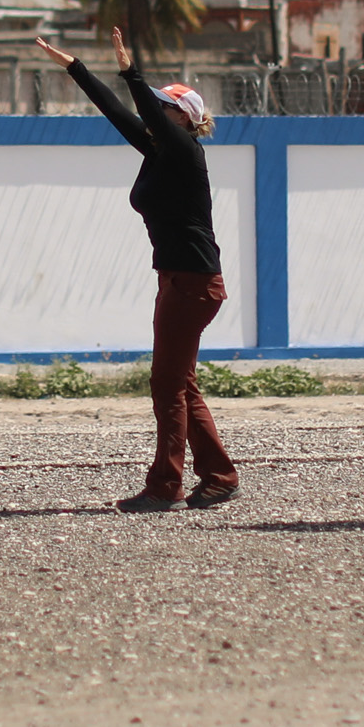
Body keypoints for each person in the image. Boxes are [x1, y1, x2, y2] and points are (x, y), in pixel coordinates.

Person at [35, 27, 238, 513]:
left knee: (167, 385)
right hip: (179, 280)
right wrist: (76, 68)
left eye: (162, 107)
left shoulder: (186, 152)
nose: (154, 112)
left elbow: (146, 111)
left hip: (192, 284)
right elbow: (119, 114)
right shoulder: (160, 152)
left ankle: (166, 486)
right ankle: (219, 476)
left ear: (180, 118)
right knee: (179, 383)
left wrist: (131, 70)